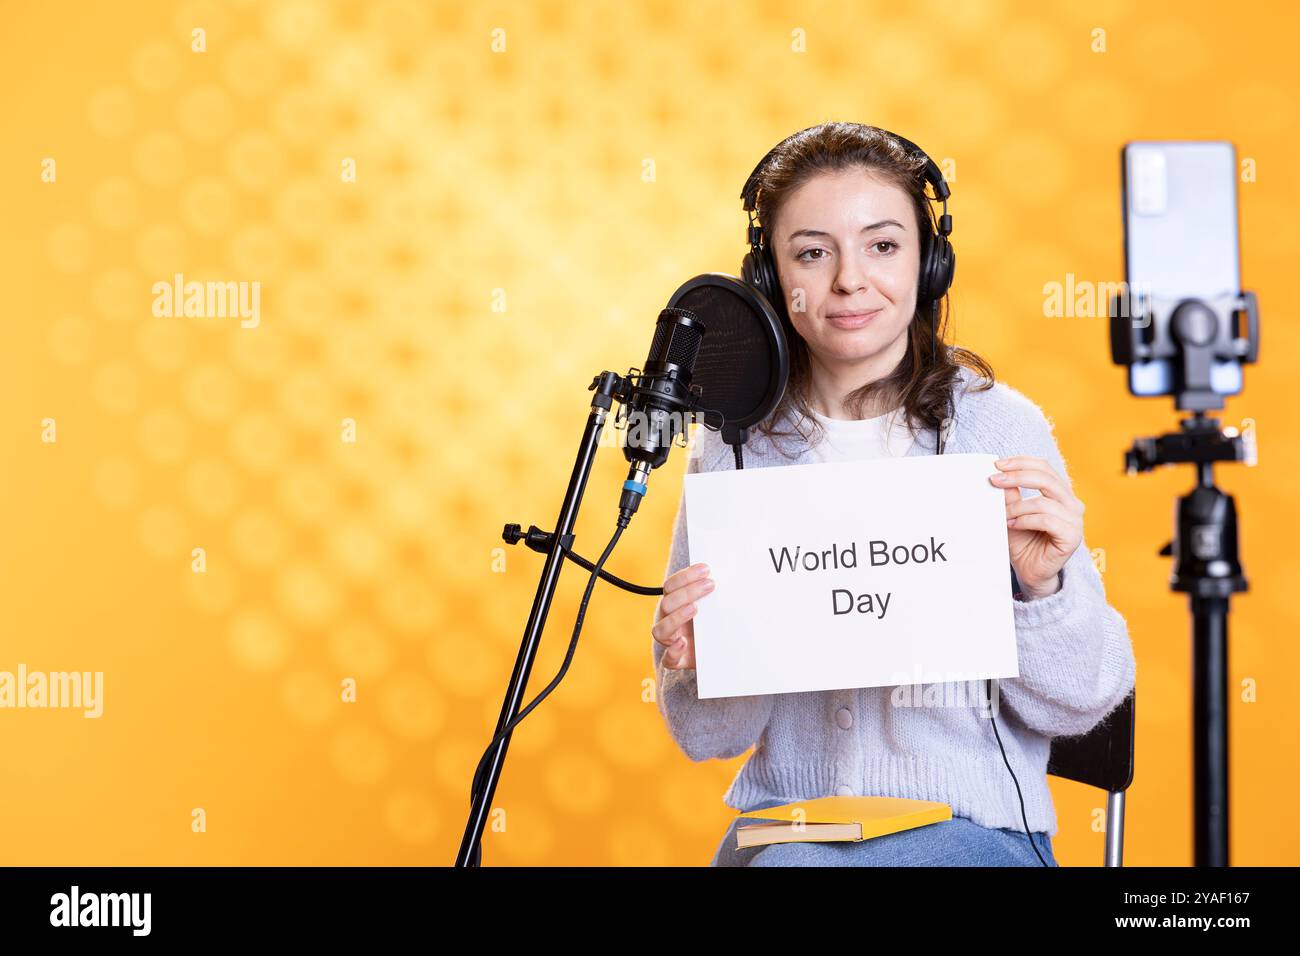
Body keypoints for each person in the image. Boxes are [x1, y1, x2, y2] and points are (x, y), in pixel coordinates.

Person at [650, 123, 1136, 867]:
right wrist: (697, 661)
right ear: (770, 277)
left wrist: (1044, 592)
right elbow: (708, 737)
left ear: (928, 264)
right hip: (790, 830)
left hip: (974, 833)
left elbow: (1081, 701)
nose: (850, 280)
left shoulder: (998, 428)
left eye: (882, 245)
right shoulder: (734, 445)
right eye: (813, 253)